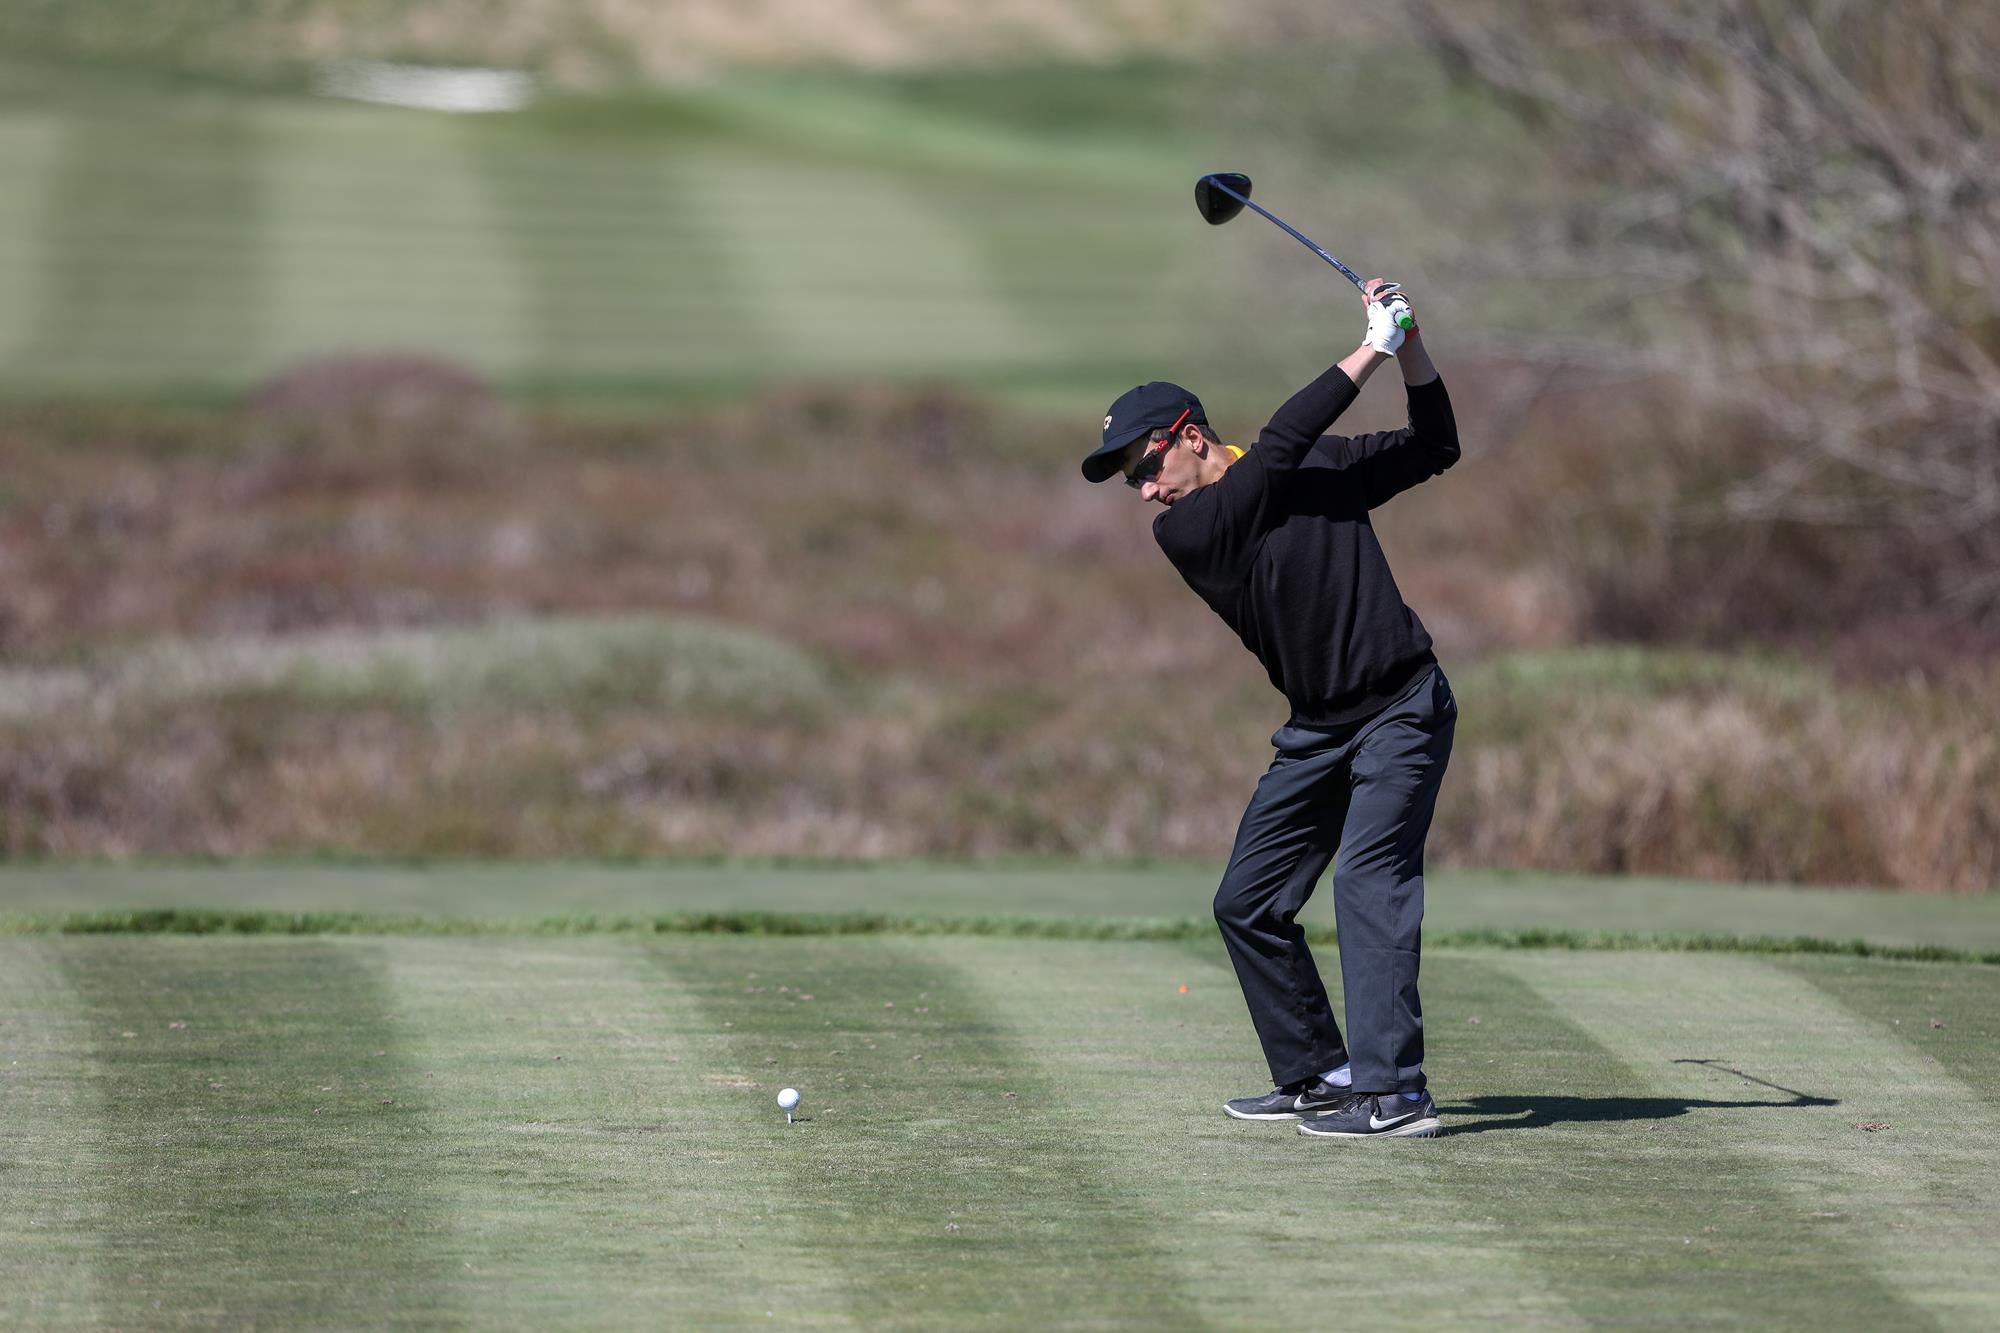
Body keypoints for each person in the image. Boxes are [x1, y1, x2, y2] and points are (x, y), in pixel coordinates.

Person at [1080, 280, 1460, 1140]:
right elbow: (1282, 446)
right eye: (1130, 481)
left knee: (1368, 883)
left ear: (1190, 436)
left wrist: (1413, 346)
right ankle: (1322, 1072)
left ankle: (1395, 1091)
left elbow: (1438, 443)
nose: (1142, 491)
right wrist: (1373, 344)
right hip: (1319, 732)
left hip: (1403, 708)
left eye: (1144, 467)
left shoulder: (1319, 471)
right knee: (1246, 900)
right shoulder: (1189, 531)